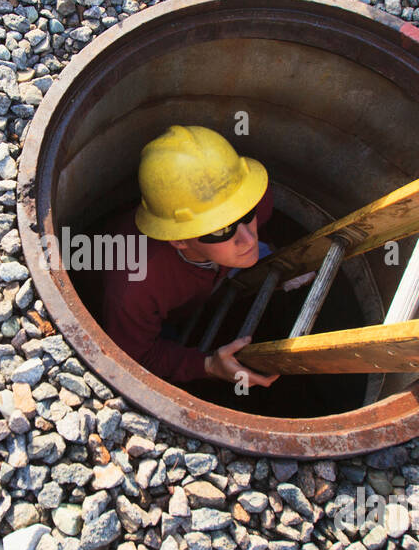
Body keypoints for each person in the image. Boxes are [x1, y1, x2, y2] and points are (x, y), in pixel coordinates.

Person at [100, 125, 314, 388]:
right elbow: (136, 358)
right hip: (148, 317)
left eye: (245, 213)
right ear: (178, 239)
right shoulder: (135, 289)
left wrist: (270, 255)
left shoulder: (259, 202)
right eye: (221, 229)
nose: (249, 239)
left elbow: (249, 229)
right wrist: (209, 366)